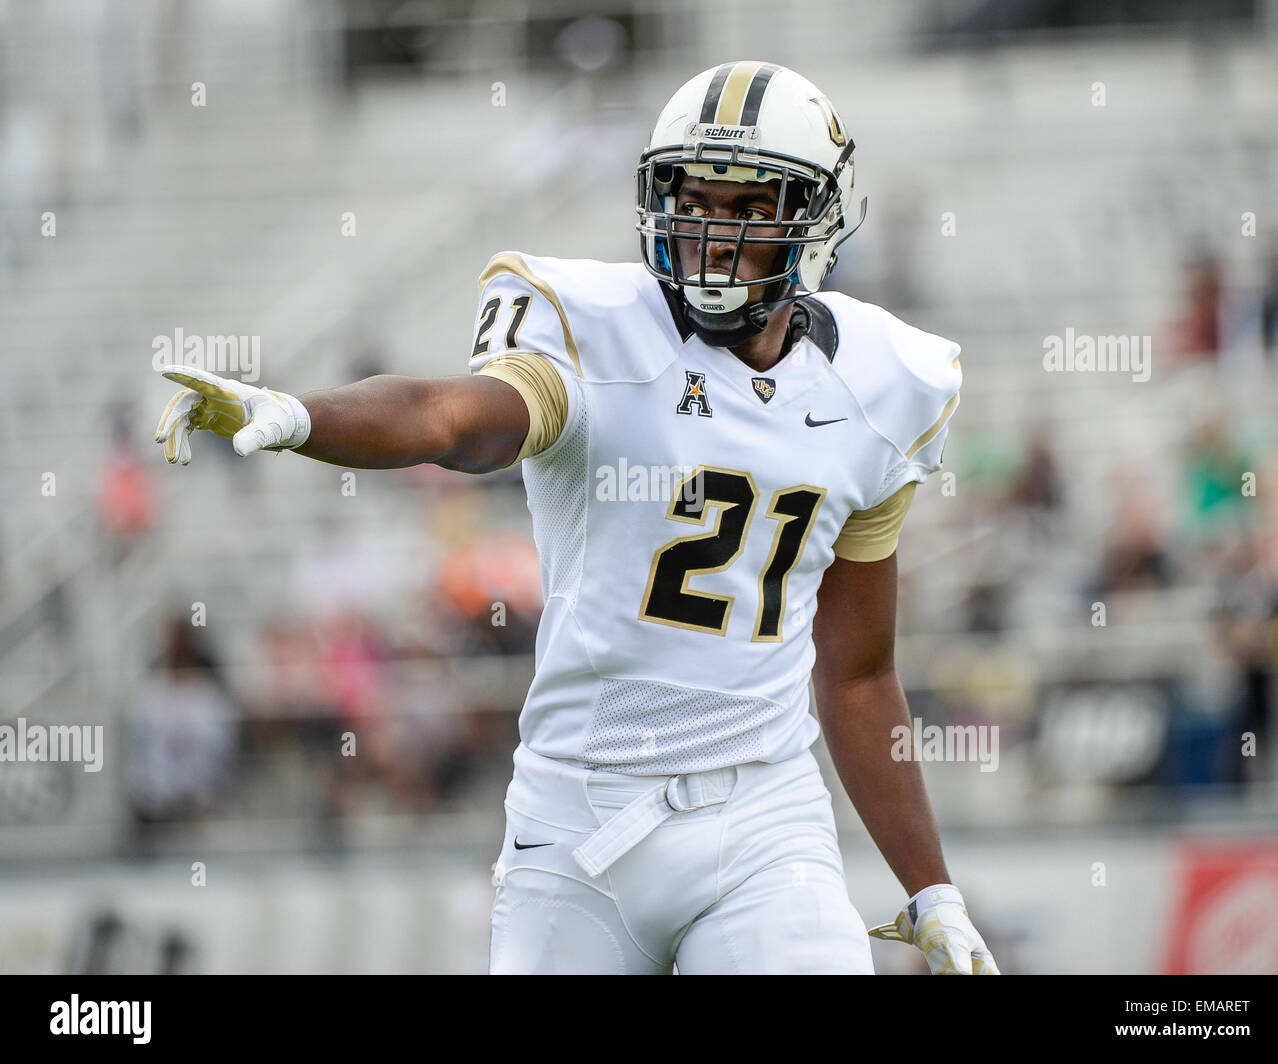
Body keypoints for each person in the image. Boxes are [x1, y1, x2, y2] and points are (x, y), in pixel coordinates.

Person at [152, 61, 997, 975]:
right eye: (692, 196)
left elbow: (861, 674)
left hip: (766, 816)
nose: (711, 232)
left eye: (748, 208)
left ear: (812, 218)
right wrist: (304, 417)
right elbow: (451, 417)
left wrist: (929, 886)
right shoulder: (596, 331)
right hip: (580, 823)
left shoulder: (881, 381)